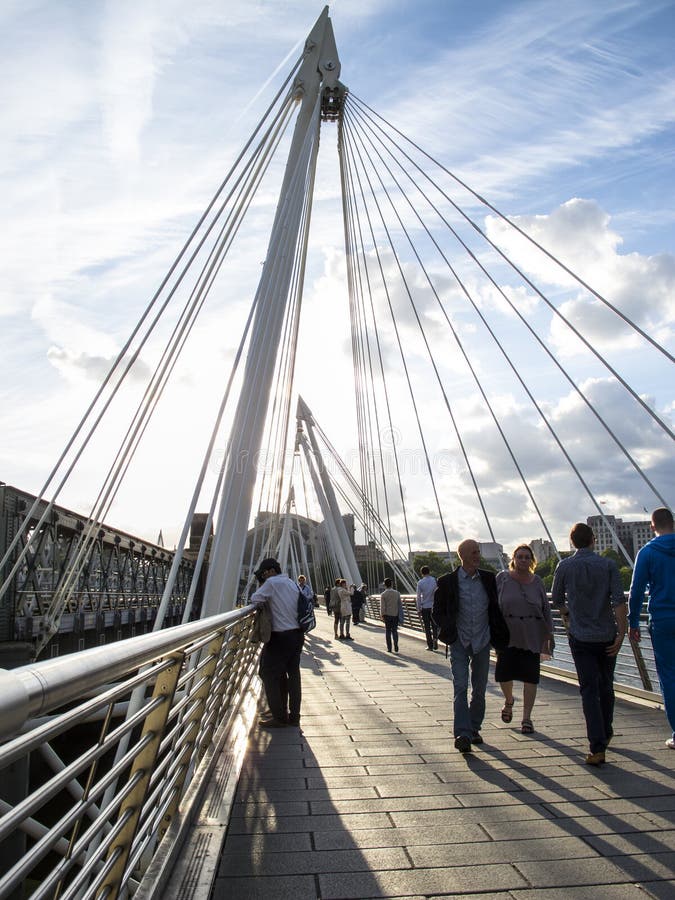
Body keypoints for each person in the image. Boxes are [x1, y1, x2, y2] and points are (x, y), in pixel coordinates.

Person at [551, 523, 627, 766]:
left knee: (588, 689)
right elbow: (618, 600)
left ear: (572, 542)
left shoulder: (564, 566)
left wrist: (567, 615)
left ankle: (597, 746)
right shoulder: (608, 565)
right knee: (606, 685)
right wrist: (621, 633)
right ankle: (606, 729)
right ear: (594, 539)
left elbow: (556, 595)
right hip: (606, 633)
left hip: (580, 636)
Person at [432, 539, 509, 753]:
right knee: (460, 687)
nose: (478, 556)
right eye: (474, 552)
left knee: (480, 688)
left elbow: (497, 607)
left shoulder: (488, 579)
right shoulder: (447, 581)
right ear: (463, 555)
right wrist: (449, 629)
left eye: (478, 552)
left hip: (482, 640)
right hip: (459, 640)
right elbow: (436, 611)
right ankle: (462, 733)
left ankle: (474, 727)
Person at [628, 507, 675, 750]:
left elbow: (636, 591)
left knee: (669, 675)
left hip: (663, 620)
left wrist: (632, 621)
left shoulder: (647, 553)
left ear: (652, 526)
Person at [495, 545, 554, 735]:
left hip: (532, 633)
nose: (523, 560)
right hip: (508, 633)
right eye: (519, 557)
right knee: (504, 674)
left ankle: (527, 718)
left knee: (530, 677)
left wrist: (548, 634)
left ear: (532, 561)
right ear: (513, 559)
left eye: (527, 557)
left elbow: (545, 608)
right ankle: (509, 700)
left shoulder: (537, 582)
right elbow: (494, 606)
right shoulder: (502, 578)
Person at [251, 558, 305, 728]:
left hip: (280, 636)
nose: (263, 577)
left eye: (263, 574)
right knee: (293, 675)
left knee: (268, 673)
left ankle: (279, 716)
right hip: (297, 635)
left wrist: (263, 588)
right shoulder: (291, 583)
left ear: (269, 571)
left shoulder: (272, 583)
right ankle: (294, 716)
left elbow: (255, 598)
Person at [416, 565, 438, 651]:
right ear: (429, 572)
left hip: (425, 607)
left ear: (422, 573)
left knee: (427, 627)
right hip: (434, 606)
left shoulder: (420, 582)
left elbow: (418, 597)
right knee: (435, 625)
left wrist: (418, 608)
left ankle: (430, 645)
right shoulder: (434, 580)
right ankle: (435, 638)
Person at [380, 577, 401, 652]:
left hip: (387, 615)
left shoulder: (383, 594)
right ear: (391, 584)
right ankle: (396, 644)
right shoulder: (397, 593)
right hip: (395, 614)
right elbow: (399, 605)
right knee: (395, 630)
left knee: (388, 631)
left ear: (385, 585)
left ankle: (389, 648)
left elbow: (383, 606)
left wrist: (382, 615)